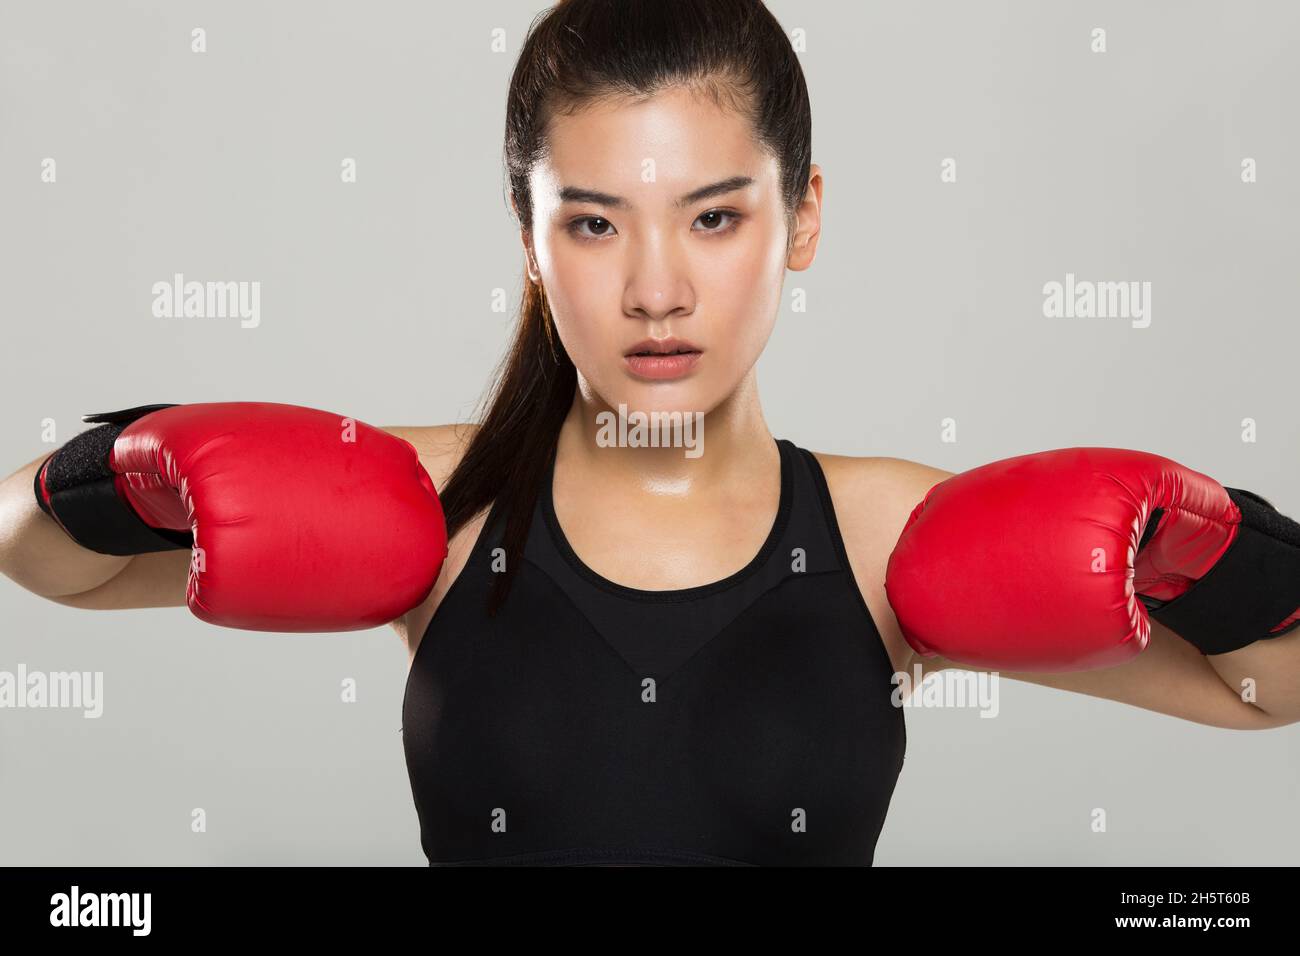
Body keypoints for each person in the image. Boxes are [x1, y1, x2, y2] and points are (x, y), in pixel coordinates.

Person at [2, 0, 1298, 867]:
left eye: (717, 218)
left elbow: (1263, 693)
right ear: (529, 240)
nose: (656, 288)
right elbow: (39, 553)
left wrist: (1218, 550)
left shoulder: (889, 537)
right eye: (593, 221)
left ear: (804, 221)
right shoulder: (426, 501)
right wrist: (124, 471)